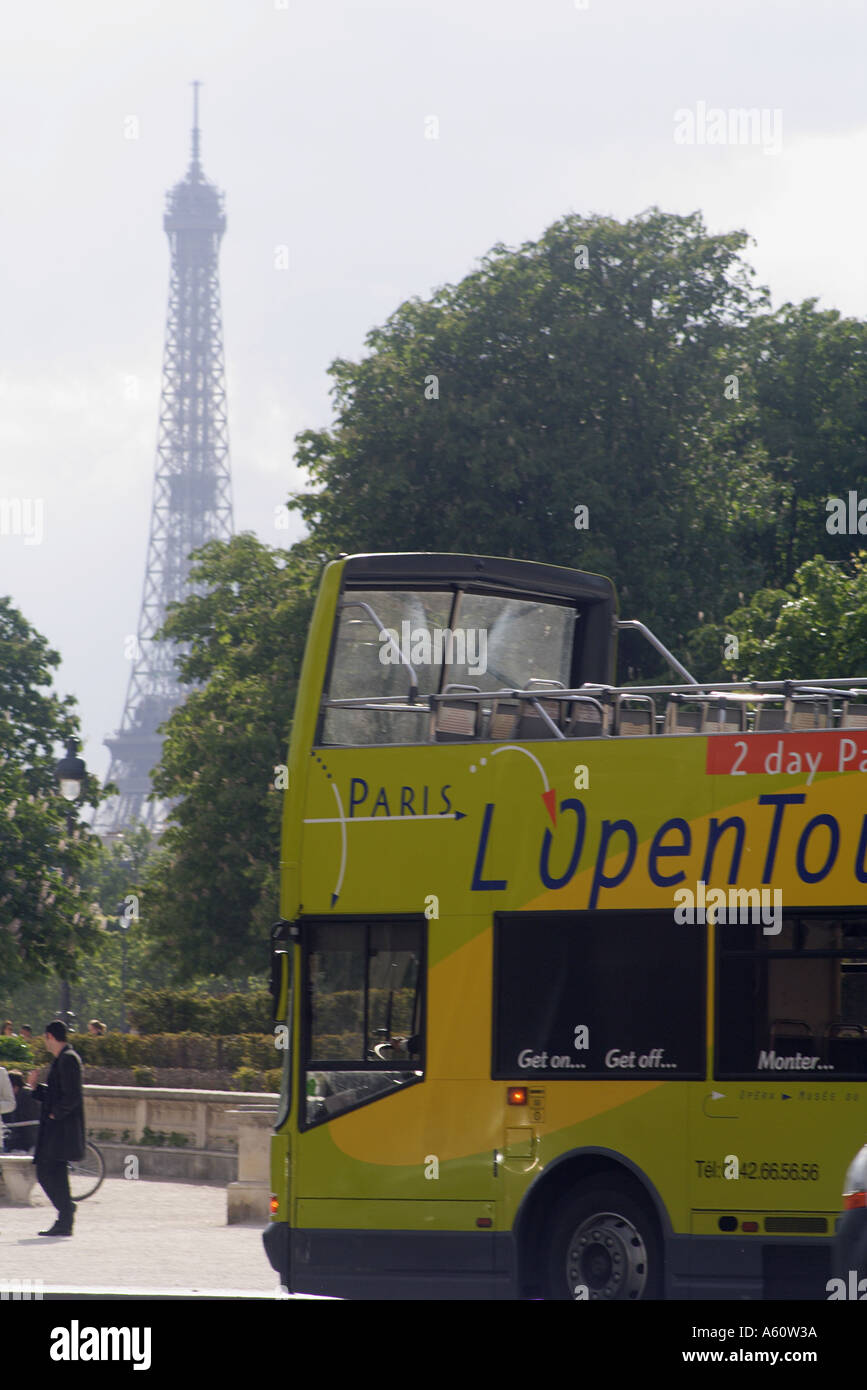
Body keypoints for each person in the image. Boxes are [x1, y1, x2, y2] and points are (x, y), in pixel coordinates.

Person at [26, 1021, 85, 1237]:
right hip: (56, 1127)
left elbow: (72, 1096)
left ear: (50, 1036)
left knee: (46, 1171)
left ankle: (66, 1211)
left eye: (45, 1038)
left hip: (61, 1128)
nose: (45, 1042)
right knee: (56, 1173)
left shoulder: (69, 1059)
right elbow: (56, 1094)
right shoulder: (62, 1059)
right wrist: (35, 1088)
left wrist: (55, 1113)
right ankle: (65, 1218)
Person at [2, 1071, 40, 1153]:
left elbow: (27, 1124)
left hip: (25, 1144)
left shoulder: (25, 1097)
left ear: (14, 1087)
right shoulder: (25, 1095)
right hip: (24, 1141)